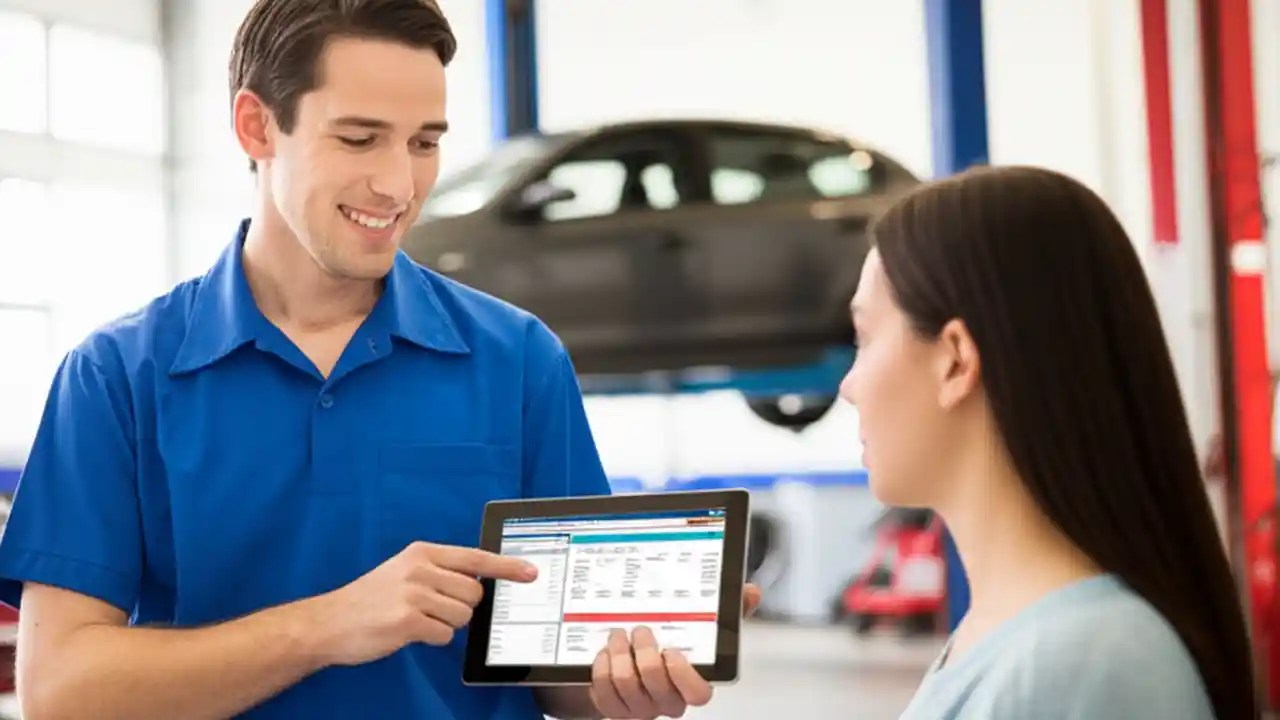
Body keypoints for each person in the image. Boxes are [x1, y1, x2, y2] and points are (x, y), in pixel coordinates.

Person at [0, 1, 758, 718]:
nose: (399, 185)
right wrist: (327, 626)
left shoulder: (519, 360)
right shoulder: (115, 377)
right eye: (360, 139)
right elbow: (62, 691)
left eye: (425, 142)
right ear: (257, 127)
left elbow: (561, 684)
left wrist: (626, 688)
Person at [841, 165, 1257, 719]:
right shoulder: (1026, 642)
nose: (849, 385)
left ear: (955, 359)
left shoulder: (1079, 662)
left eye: (864, 338)